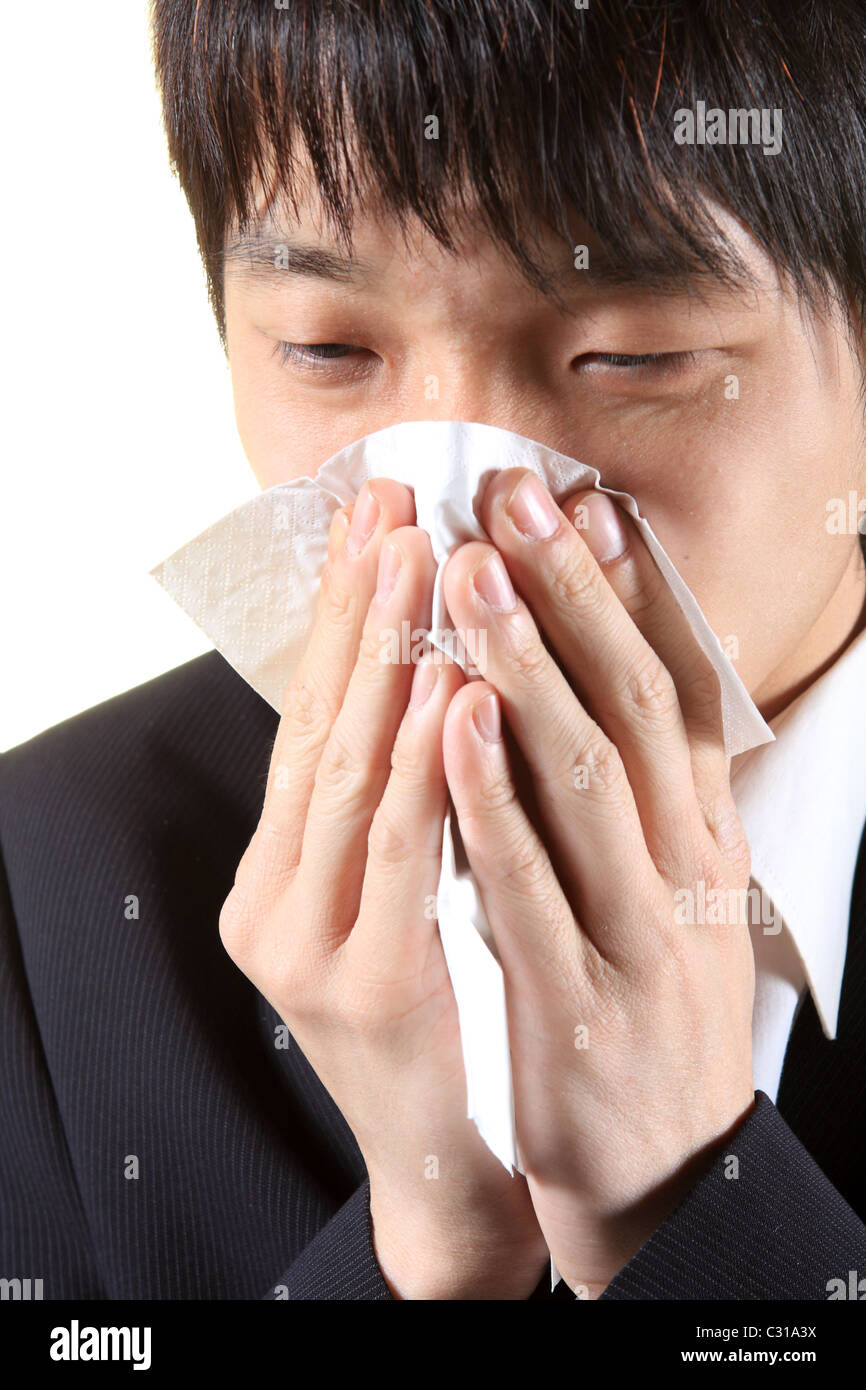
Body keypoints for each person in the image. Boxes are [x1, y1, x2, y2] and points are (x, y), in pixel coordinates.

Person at [1, 0, 865, 1300]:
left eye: (629, 357)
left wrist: (690, 1202)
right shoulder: (48, 889)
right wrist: (431, 1246)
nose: (456, 515)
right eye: (326, 349)